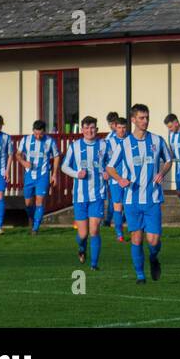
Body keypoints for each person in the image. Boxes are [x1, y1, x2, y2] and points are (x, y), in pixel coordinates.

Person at [106, 103, 172, 284]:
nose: (145, 121)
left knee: (153, 240)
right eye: (142, 118)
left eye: (147, 117)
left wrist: (162, 172)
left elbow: (168, 160)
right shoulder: (125, 143)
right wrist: (120, 179)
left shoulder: (157, 141)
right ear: (133, 120)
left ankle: (153, 258)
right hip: (131, 199)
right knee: (136, 237)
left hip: (152, 199)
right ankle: (140, 276)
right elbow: (110, 167)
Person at [61, 116, 109, 270]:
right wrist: (76, 174)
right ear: (81, 130)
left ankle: (94, 265)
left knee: (94, 229)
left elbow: (112, 164)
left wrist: (109, 173)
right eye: (87, 128)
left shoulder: (103, 145)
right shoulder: (74, 146)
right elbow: (64, 166)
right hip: (80, 196)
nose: (90, 131)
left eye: (92, 128)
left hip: (98, 195)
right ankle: (82, 248)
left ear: (97, 129)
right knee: (82, 234)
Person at [16, 120, 59, 236]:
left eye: (40, 134)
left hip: (43, 175)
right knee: (28, 203)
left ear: (44, 132)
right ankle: (34, 218)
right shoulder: (26, 140)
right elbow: (18, 154)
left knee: (40, 201)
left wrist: (54, 174)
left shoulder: (50, 141)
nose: (38, 136)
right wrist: (23, 162)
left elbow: (56, 157)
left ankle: (35, 228)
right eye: (35, 134)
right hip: (29, 176)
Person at [104, 116, 130, 242]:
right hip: (115, 180)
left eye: (124, 127)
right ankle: (119, 234)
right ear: (115, 128)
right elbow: (103, 159)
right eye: (119, 127)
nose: (121, 130)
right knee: (118, 206)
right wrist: (105, 171)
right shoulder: (109, 142)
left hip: (130, 179)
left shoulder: (131, 140)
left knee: (131, 206)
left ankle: (135, 230)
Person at [101, 111, 120, 226]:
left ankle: (112, 219)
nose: (111, 126)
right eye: (110, 124)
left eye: (112, 123)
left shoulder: (124, 135)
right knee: (112, 196)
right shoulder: (109, 137)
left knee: (117, 197)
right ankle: (109, 219)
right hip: (112, 171)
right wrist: (105, 169)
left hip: (121, 171)